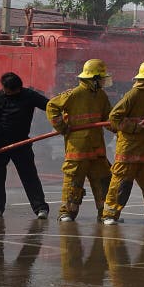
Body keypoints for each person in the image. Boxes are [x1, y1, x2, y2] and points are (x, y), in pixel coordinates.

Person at [101, 61, 144, 225]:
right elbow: (114, 117)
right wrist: (134, 126)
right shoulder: (133, 95)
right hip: (129, 151)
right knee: (121, 185)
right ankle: (110, 215)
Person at [46, 59, 113, 222]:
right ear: (94, 79)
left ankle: (104, 214)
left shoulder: (101, 95)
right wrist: (61, 126)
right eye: (102, 78)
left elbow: (108, 117)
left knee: (104, 181)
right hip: (78, 149)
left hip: (97, 149)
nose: (104, 81)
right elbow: (52, 106)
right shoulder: (75, 94)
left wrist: (121, 126)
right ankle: (67, 213)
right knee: (73, 182)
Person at [0, 72, 50, 219]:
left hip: (21, 143)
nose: (11, 93)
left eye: (14, 91)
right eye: (8, 91)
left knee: (29, 175)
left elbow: (49, 106)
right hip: (0, 143)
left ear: (19, 88)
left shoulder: (29, 96)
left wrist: (62, 116)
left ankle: (40, 208)